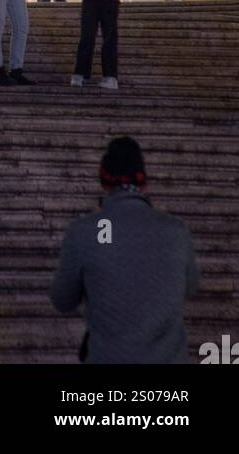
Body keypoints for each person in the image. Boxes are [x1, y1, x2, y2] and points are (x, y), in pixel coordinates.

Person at [51, 137, 199, 364]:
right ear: (144, 184)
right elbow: (191, 287)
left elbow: (62, 300)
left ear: (104, 181)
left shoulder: (84, 231)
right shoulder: (176, 231)